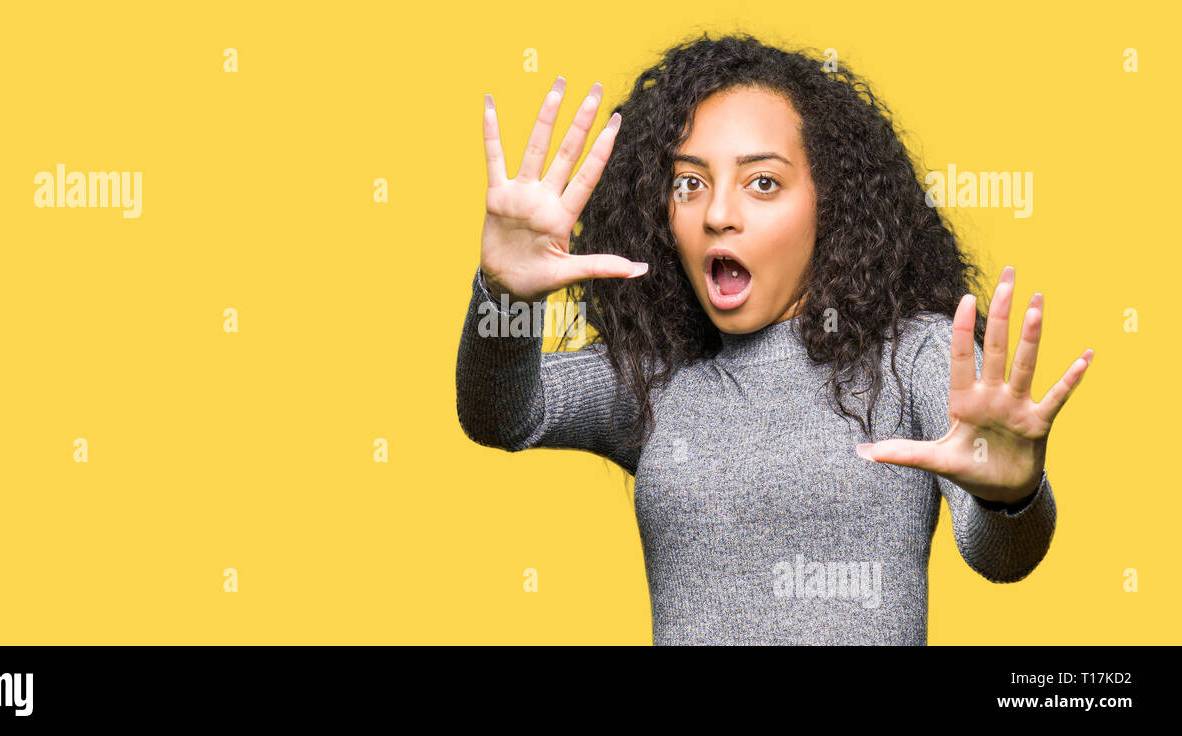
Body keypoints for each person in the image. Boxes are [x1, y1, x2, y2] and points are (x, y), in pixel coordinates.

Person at [456, 31, 1093, 645]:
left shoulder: (916, 356)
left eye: (763, 182)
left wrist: (1011, 495)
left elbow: (1002, 557)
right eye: (690, 183)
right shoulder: (654, 377)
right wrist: (505, 295)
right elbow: (503, 414)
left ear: (829, 202)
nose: (717, 214)